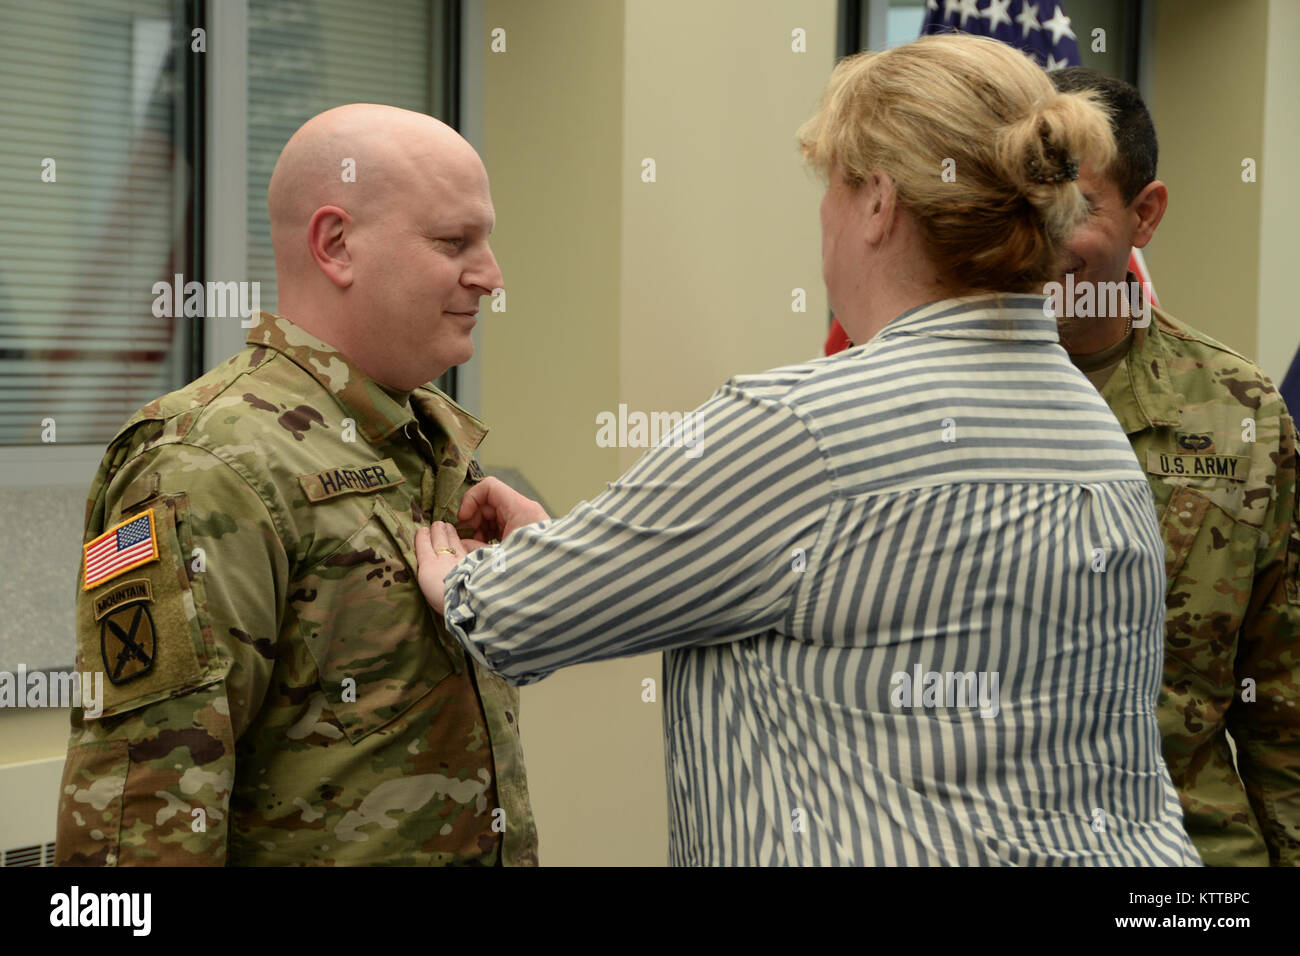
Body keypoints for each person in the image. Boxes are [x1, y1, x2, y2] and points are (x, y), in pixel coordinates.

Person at [415, 35, 1202, 866]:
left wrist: (462, 571)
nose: (822, 213)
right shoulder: (1095, 427)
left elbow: (518, 616)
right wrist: (572, 545)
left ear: (878, 203)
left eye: (833, 183)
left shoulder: (796, 424)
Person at [55, 104, 538, 866]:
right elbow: (138, 827)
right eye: (454, 242)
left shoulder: (426, 444)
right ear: (337, 245)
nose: (491, 275)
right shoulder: (206, 465)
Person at [1049, 66, 1300, 866]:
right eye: (1022, 204)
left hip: (1188, 856)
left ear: (1143, 214)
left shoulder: (1239, 410)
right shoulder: (930, 395)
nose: (1043, 237)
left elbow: (1281, 695)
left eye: (1077, 208)